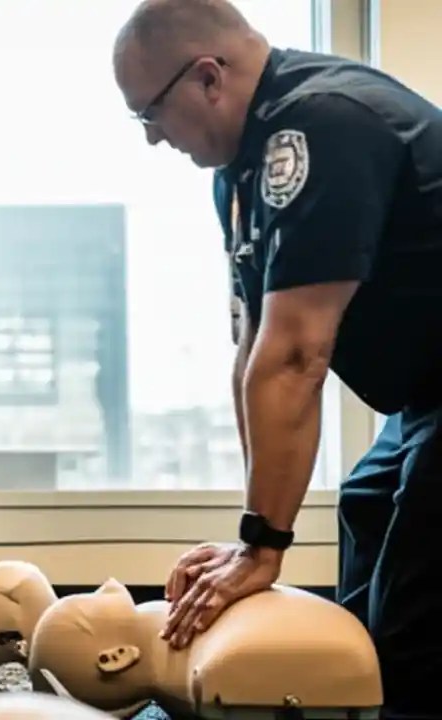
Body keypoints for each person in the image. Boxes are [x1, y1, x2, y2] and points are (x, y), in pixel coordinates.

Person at [111, 0, 442, 716]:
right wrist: (252, 532)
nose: (151, 141)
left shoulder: (322, 124)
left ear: (207, 78)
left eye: (150, 116)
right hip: (423, 397)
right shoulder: (239, 172)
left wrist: (262, 548)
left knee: (420, 620)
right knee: (368, 511)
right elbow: (256, 352)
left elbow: (299, 354)